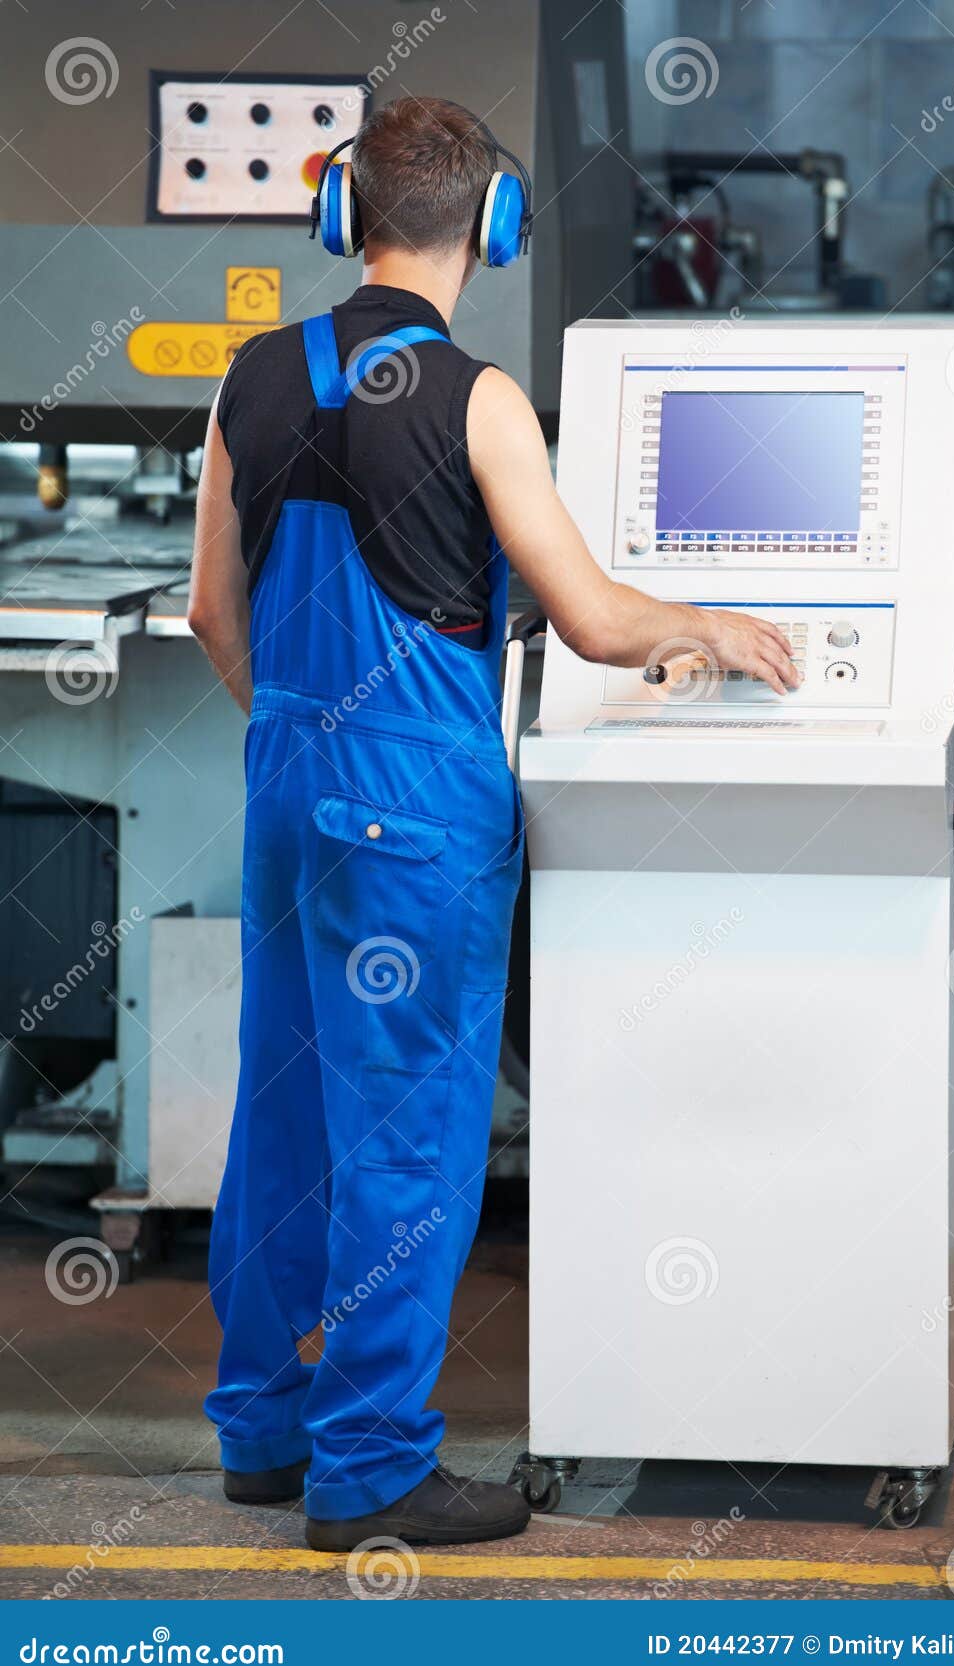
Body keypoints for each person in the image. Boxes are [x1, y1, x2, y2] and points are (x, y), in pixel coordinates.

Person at [189, 93, 797, 1554]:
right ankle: (369, 1469)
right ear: (495, 227)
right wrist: (707, 621)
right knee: (405, 1133)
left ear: (342, 210)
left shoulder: (249, 376)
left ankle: (261, 1428)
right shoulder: (480, 401)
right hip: (413, 815)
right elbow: (589, 620)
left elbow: (214, 611)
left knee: (284, 1111)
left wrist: (301, 738)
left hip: (284, 785)